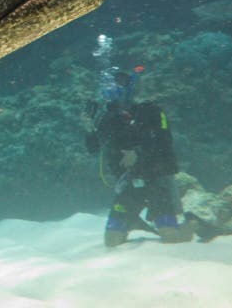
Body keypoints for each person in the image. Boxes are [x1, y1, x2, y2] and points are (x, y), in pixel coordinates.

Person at [82, 68, 193, 246]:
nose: (117, 91)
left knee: (171, 236)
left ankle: (184, 222)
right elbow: (94, 149)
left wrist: (138, 152)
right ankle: (131, 221)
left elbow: (164, 142)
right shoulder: (107, 118)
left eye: (122, 83)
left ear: (132, 86)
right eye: (113, 86)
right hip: (128, 185)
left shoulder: (152, 111)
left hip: (155, 181)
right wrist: (88, 128)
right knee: (112, 240)